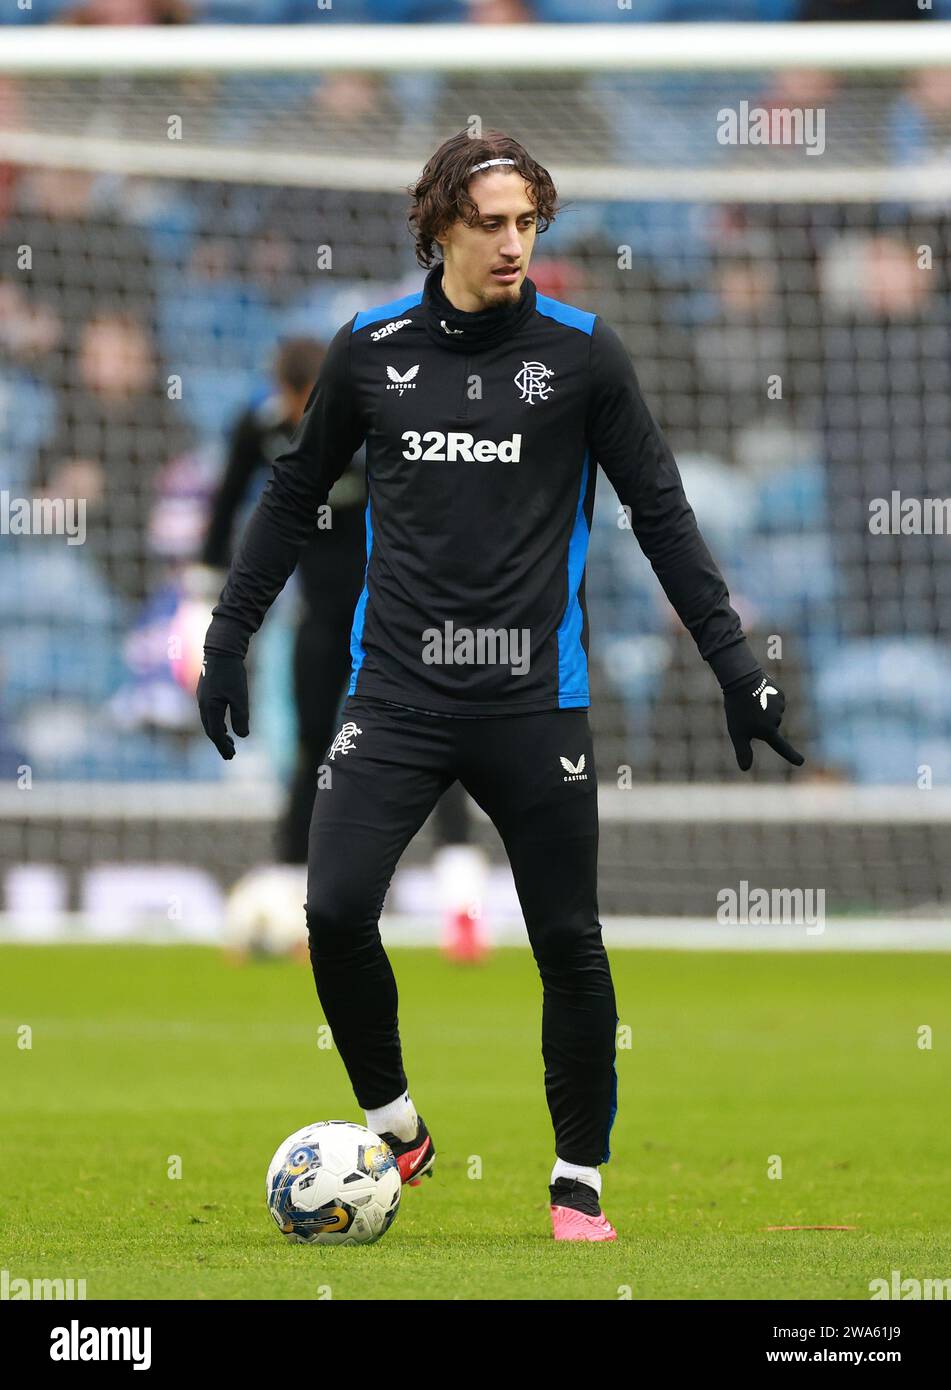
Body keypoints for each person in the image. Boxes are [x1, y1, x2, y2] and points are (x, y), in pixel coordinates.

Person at [198, 130, 803, 1242]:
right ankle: (395, 1121)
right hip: (393, 696)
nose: (515, 241)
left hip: (536, 701)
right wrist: (227, 638)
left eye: (529, 221)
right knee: (333, 910)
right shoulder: (370, 351)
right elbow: (290, 500)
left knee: (567, 937)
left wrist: (737, 666)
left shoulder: (582, 355)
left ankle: (579, 1180)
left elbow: (661, 513)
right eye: (493, 222)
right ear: (439, 227)